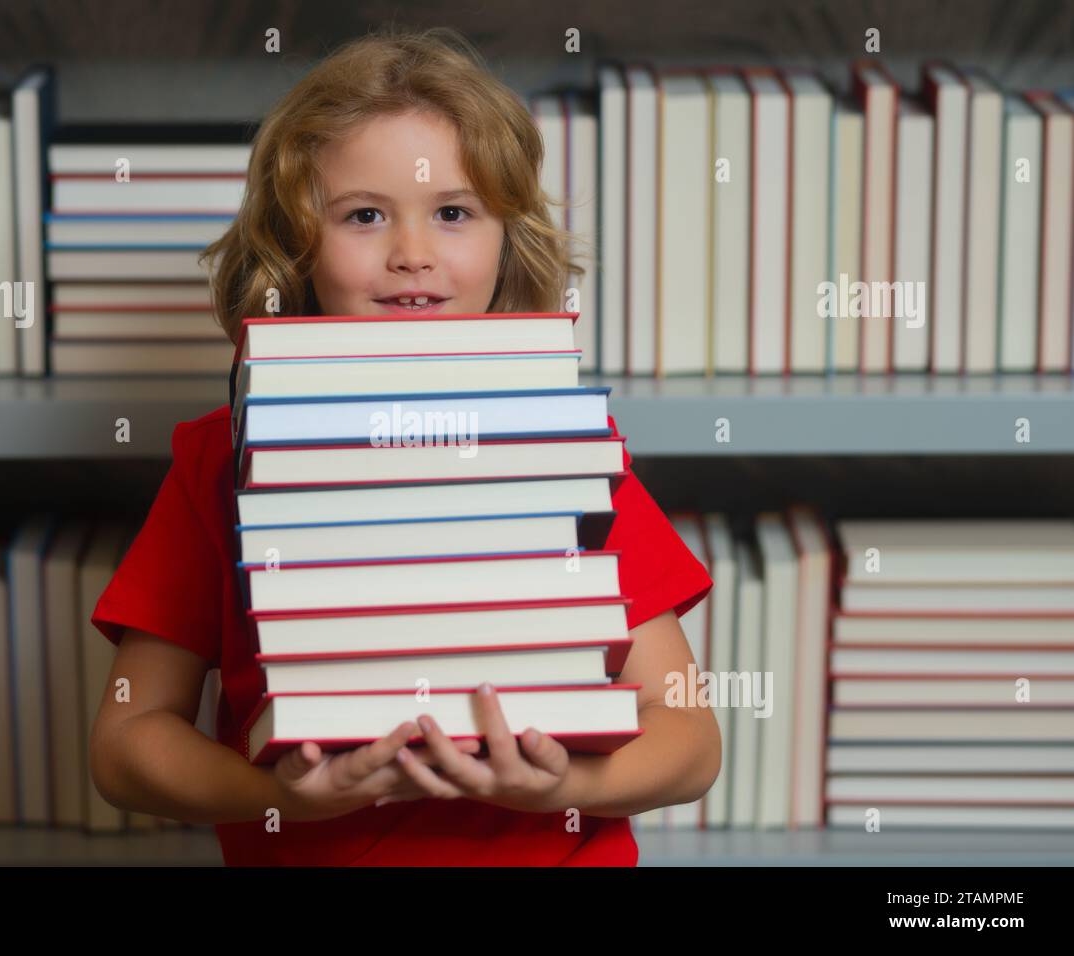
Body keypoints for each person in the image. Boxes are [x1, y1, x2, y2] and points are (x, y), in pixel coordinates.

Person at [89, 26, 718, 866]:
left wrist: (563, 788)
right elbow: (127, 742)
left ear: (507, 241)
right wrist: (275, 800)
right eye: (364, 215)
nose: (412, 255)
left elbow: (690, 736)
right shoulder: (218, 459)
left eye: (453, 213)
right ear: (297, 246)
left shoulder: (571, 443)